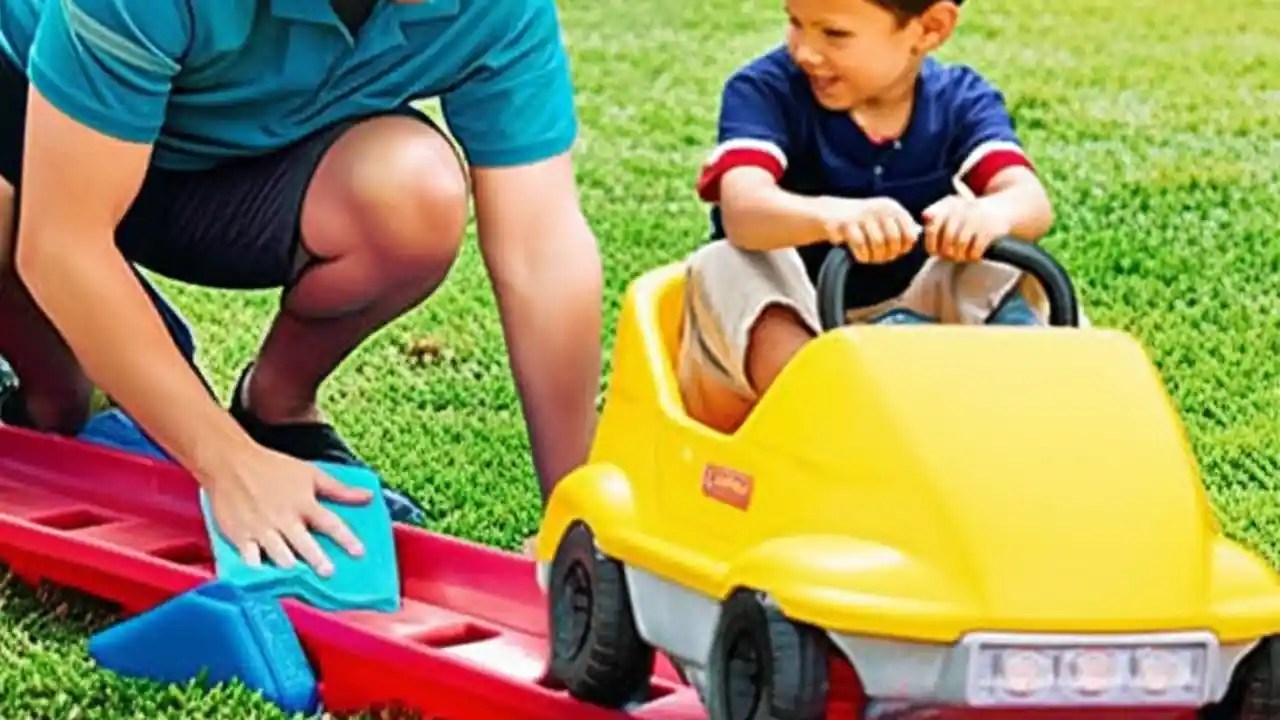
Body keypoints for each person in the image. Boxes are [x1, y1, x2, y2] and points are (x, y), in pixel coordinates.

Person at [0, 0, 602, 576]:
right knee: (59, 401)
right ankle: (57, 373)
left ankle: (276, 411)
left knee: (412, 191)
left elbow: (540, 248)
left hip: (213, 173)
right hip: (34, 139)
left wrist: (580, 518)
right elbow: (62, 244)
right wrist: (228, 464)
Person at [676, 0, 1056, 433]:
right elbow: (744, 207)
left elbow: (1030, 201)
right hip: (803, 322)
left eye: (834, 34)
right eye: (795, 22)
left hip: (919, 311)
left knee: (1005, 252)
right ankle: (830, 410)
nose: (804, 51)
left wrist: (987, 213)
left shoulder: (961, 99)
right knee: (726, 261)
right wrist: (832, 216)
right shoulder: (765, 90)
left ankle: (1019, 377)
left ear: (928, 29)